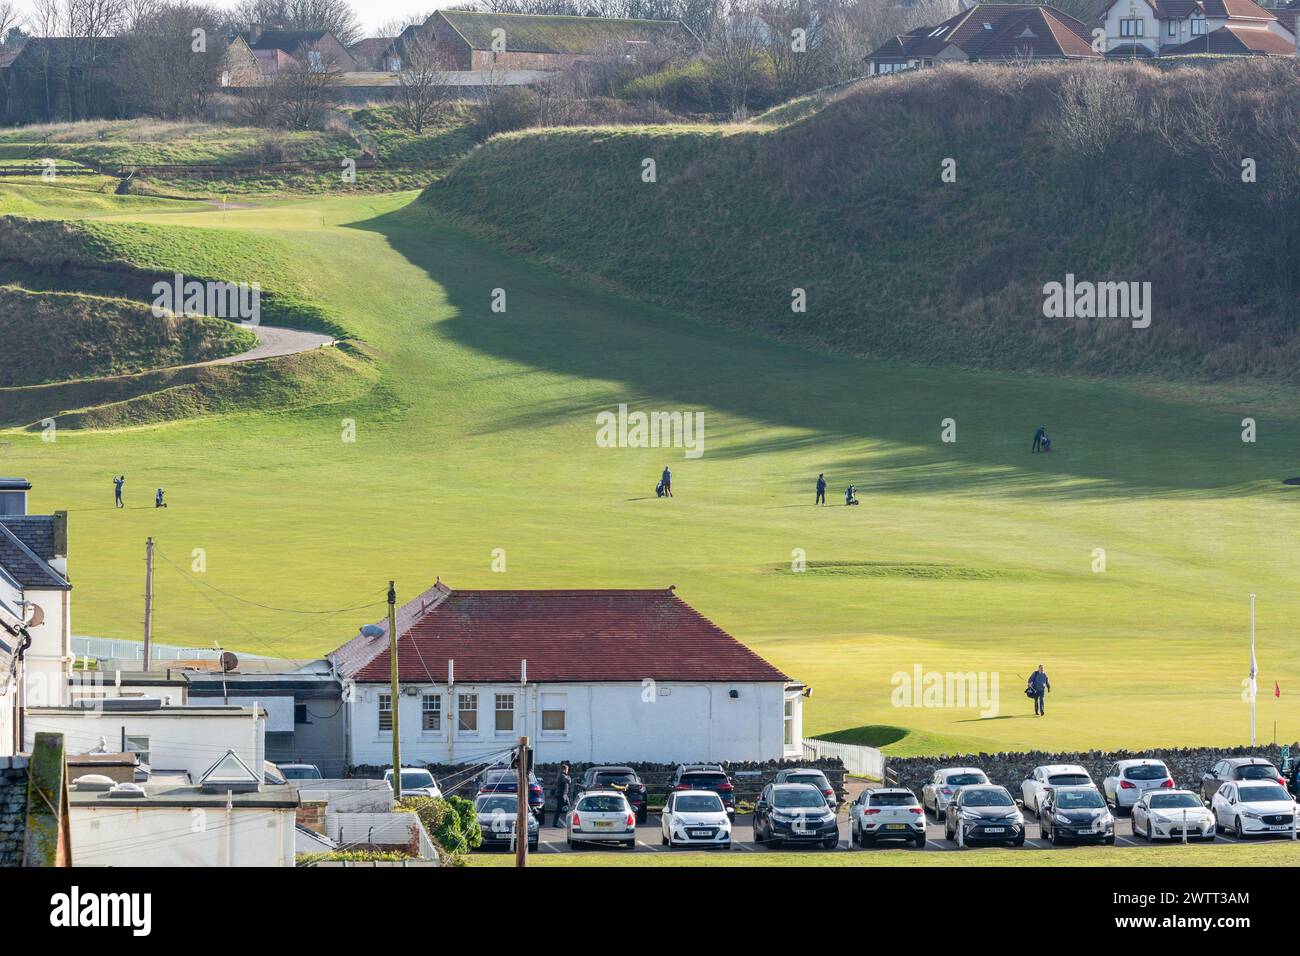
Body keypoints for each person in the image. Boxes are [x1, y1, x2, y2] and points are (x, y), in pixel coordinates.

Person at [551, 762, 572, 828]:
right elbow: (569, 781)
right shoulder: (562, 776)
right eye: (567, 769)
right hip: (562, 795)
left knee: (568, 809)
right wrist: (568, 776)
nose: (568, 771)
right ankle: (554, 824)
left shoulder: (562, 775)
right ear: (565, 769)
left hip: (564, 795)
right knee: (562, 810)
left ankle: (570, 823)